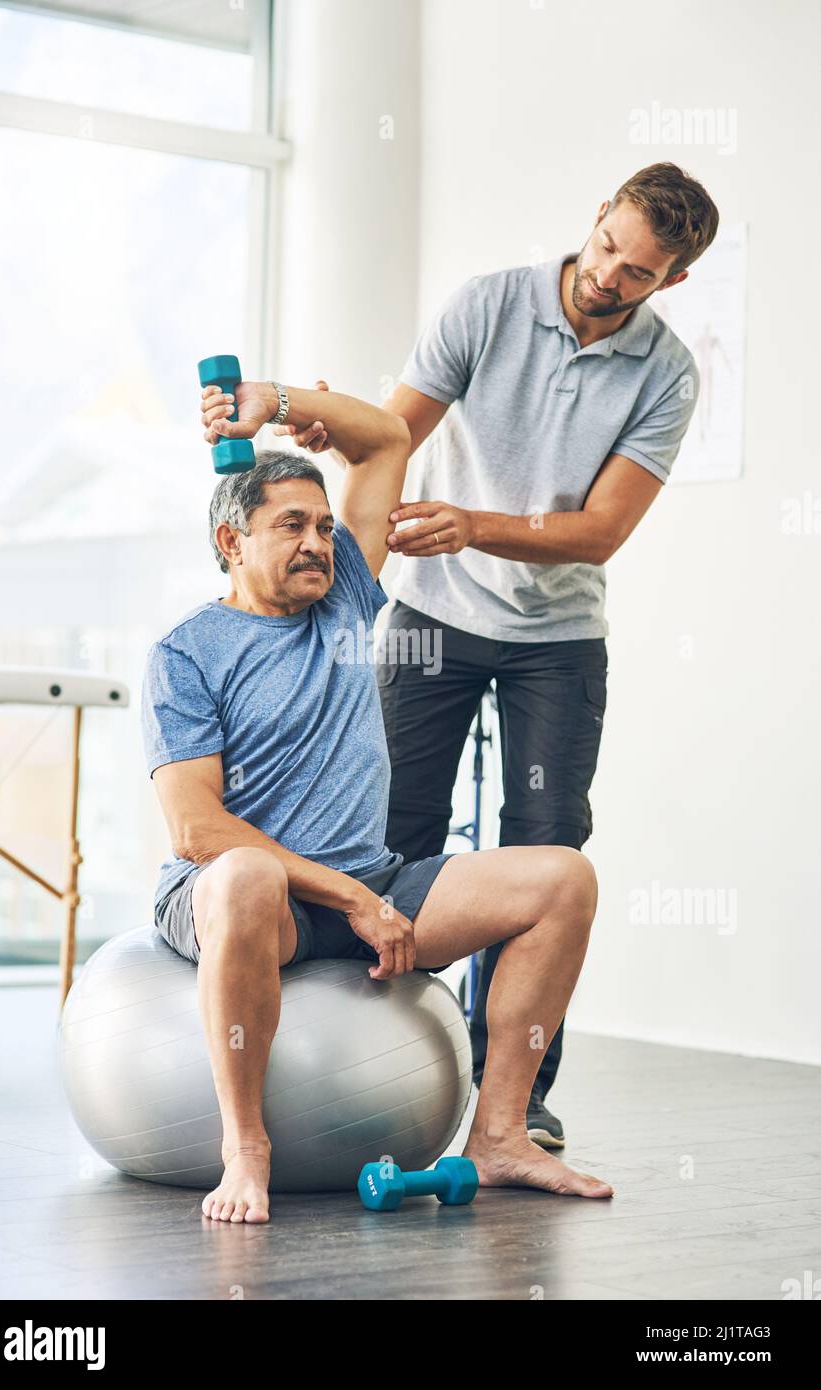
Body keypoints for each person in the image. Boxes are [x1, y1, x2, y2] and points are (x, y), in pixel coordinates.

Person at [275, 162, 720, 1147]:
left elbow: (600, 531)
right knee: (392, 831)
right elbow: (394, 434)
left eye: (639, 273)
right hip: (433, 617)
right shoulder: (488, 306)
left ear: (672, 281)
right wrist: (331, 428)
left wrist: (472, 522)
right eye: (609, 247)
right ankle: (369, 1056)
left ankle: (513, 1092)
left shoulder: (669, 373)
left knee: (543, 851)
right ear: (596, 211)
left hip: (556, 642)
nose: (608, 276)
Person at [140, 378, 613, 1223]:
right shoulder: (188, 653)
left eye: (325, 527)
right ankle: (244, 1150)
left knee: (562, 878)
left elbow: (388, 438)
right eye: (291, 525)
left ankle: (501, 1133)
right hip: (247, 899)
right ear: (230, 540)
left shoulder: (345, 603)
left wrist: (272, 400)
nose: (319, 543)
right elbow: (196, 828)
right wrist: (355, 897)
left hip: (372, 879)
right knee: (247, 872)